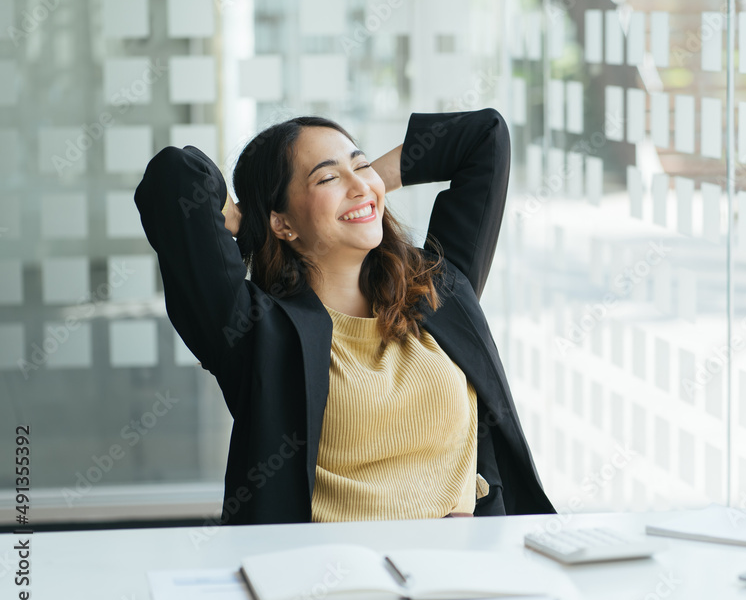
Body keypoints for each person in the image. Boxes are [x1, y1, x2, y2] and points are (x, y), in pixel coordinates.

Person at [134, 108, 556, 524]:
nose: (357, 182)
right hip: (329, 579)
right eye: (326, 177)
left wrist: (366, 187)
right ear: (282, 222)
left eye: (362, 163)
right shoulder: (256, 331)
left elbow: (485, 135)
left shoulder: (438, 289)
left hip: (463, 572)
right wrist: (253, 223)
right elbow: (174, 176)